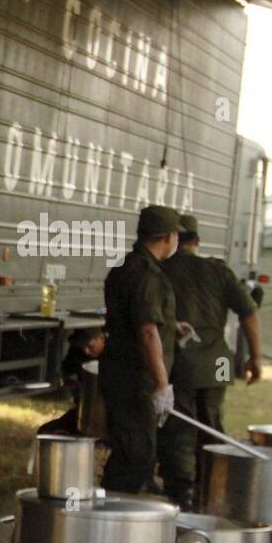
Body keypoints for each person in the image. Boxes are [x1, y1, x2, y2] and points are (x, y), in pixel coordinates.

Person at [156, 213, 262, 508]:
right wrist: (255, 357)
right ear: (198, 241)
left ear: (175, 237)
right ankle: (214, 487)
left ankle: (183, 492)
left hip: (183, 361)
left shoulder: (162, 270)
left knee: (181, 429)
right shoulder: (219, 271)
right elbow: (249, 313)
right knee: (213, 422)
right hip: (220, 361)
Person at [99, 205, 186, 494]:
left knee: (132, 449)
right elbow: (147, 331)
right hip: (135, 378)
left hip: (120, 372)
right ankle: (110, 513)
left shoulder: (126, 266)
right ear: (169, 237)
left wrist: (172, 327)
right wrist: (162, 384)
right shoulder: (147, 275)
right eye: (176, 236)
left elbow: (137, 319)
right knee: (135, 453)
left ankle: (116, 507)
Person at [36, 328, 105, 436]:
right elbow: (66, 370)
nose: (86, 351)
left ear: (101, 338)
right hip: (84, 410)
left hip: (107, 413)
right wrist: (68, 380)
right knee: (46, 431)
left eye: (90, 347)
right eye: (83, 347)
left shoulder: (116, 357)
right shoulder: (77, 354)